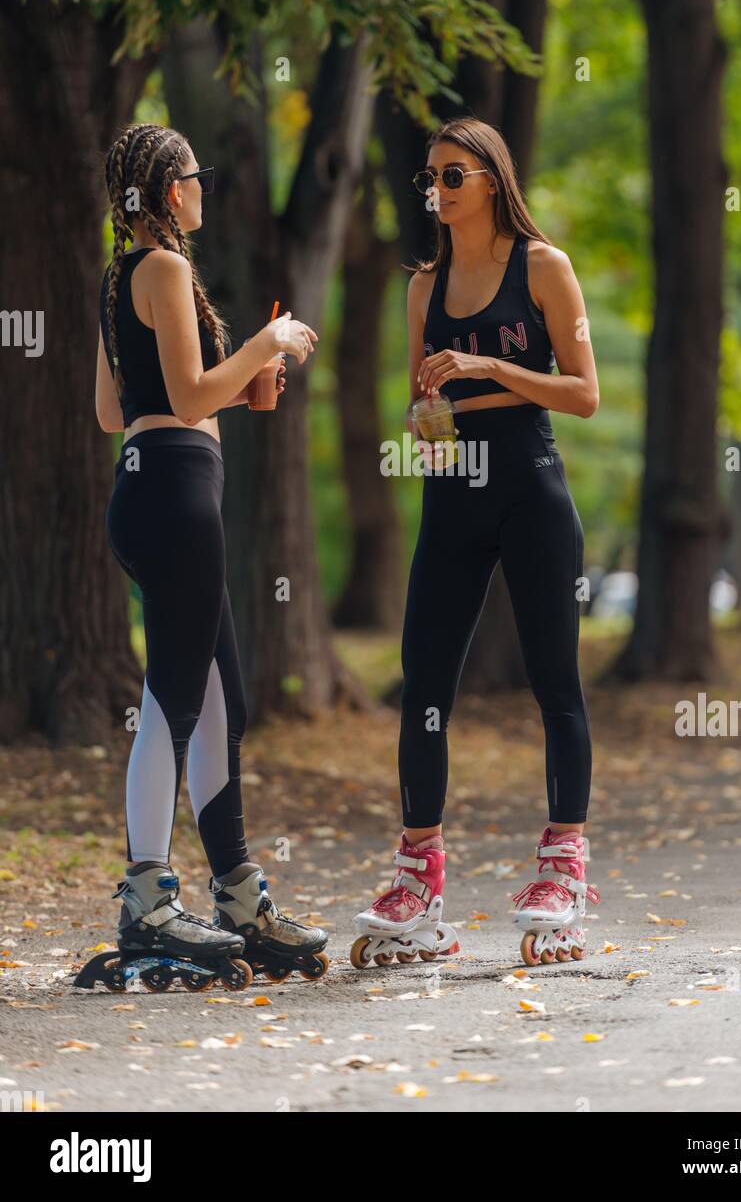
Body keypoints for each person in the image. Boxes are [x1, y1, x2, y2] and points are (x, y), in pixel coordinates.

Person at [351, 117, 601, 970]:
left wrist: (489, 369)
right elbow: (420, 405)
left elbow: (583, 395)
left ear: (491, 179)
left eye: (451, 176)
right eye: (429, 178)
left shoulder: (543, 267)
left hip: (531, 484)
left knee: (553, 682)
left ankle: (562, 864)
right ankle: (418, 870)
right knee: (424, 681)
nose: (436, 191)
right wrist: (426, 419)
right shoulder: (425, 284)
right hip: (454, 493)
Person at [89, 122, 327, 989]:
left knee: (220, 700)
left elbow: (117, 411)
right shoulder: (168, 268)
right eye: (195, 176)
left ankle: (235, 897)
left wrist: (246, 381)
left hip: (148, 489)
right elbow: (191, 396)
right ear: (166, 190)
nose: (202, 187)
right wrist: (266, 346)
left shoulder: (120, 277)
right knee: (172, 703)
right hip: (178, 499)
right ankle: (148, 899)